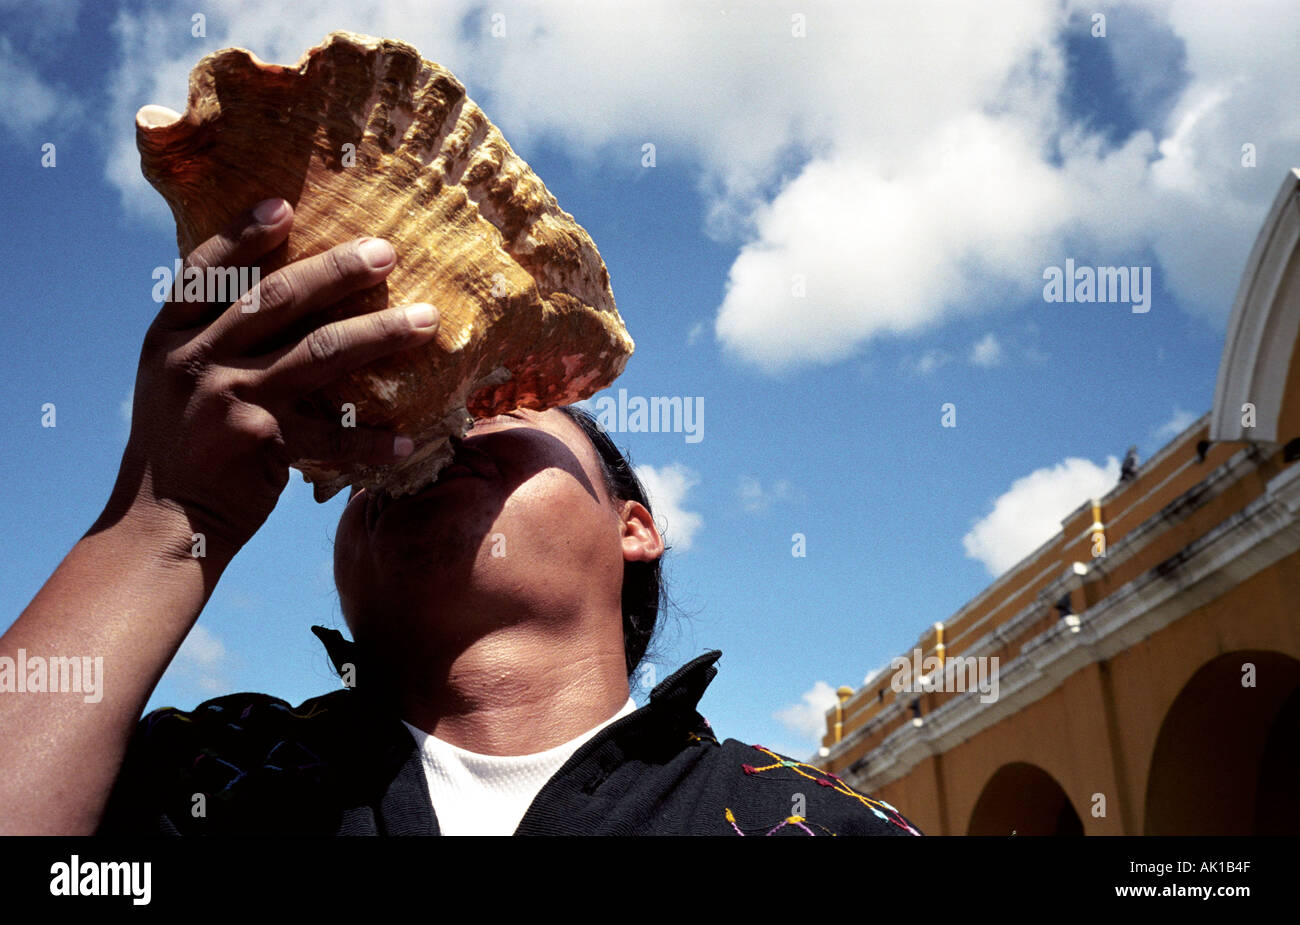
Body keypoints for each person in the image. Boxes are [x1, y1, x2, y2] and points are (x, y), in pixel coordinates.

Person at [1, 199, 922, 836]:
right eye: (394, 427)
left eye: (493, 399)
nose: (439, 424)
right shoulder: (209, 780)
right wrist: (166, 513)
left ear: (634, 524)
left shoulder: (808, 820)